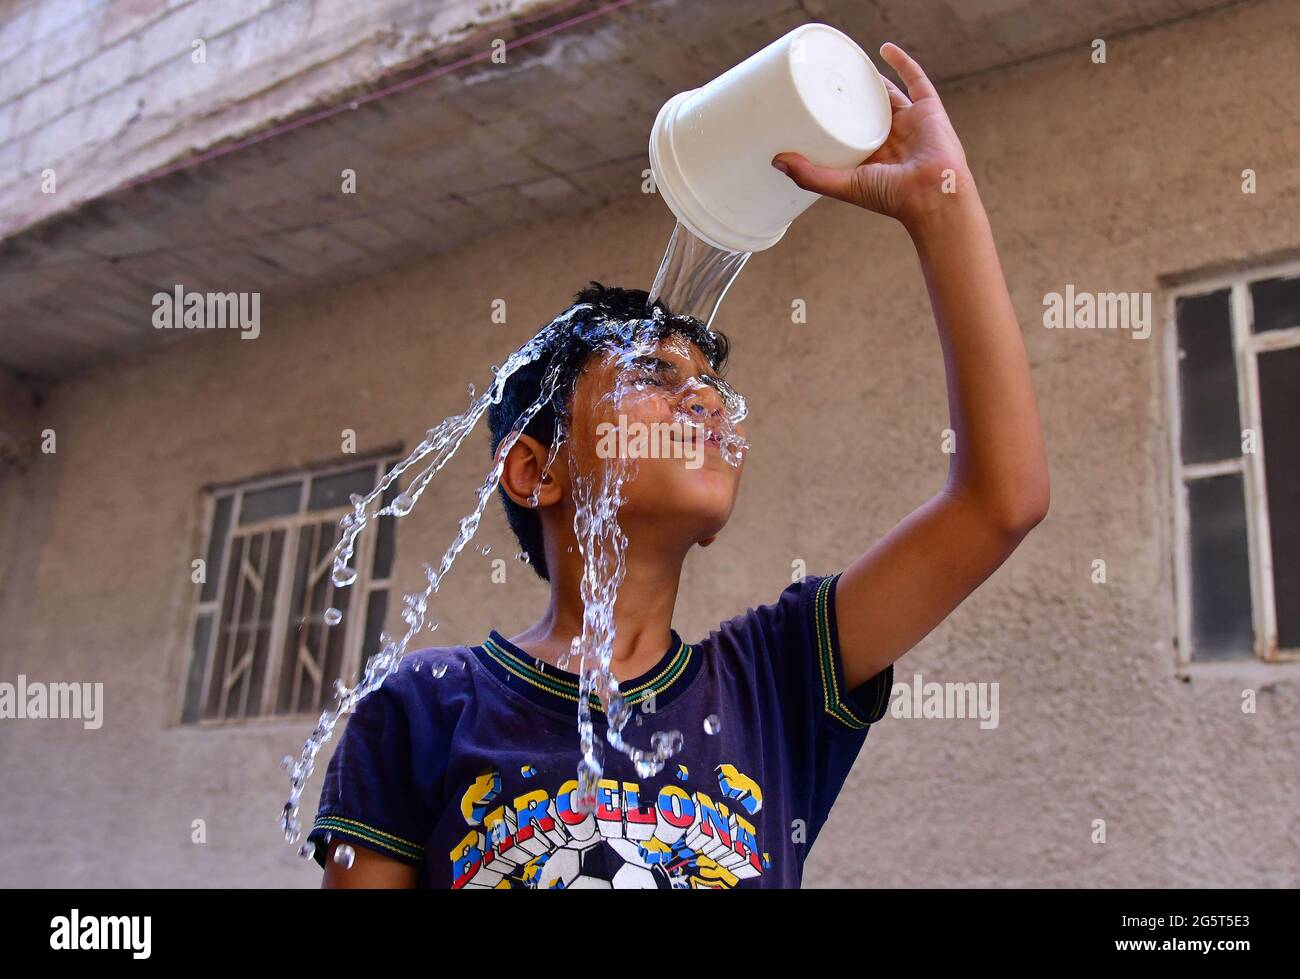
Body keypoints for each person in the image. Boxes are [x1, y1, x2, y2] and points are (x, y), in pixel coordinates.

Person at [308, 42, 1048, 888]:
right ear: (535, 471)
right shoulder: (425, 706)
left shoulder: (778, 679)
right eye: (652, 375)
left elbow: (1003, 500)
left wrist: (940, 204)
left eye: (712, 384)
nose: (703, 399)